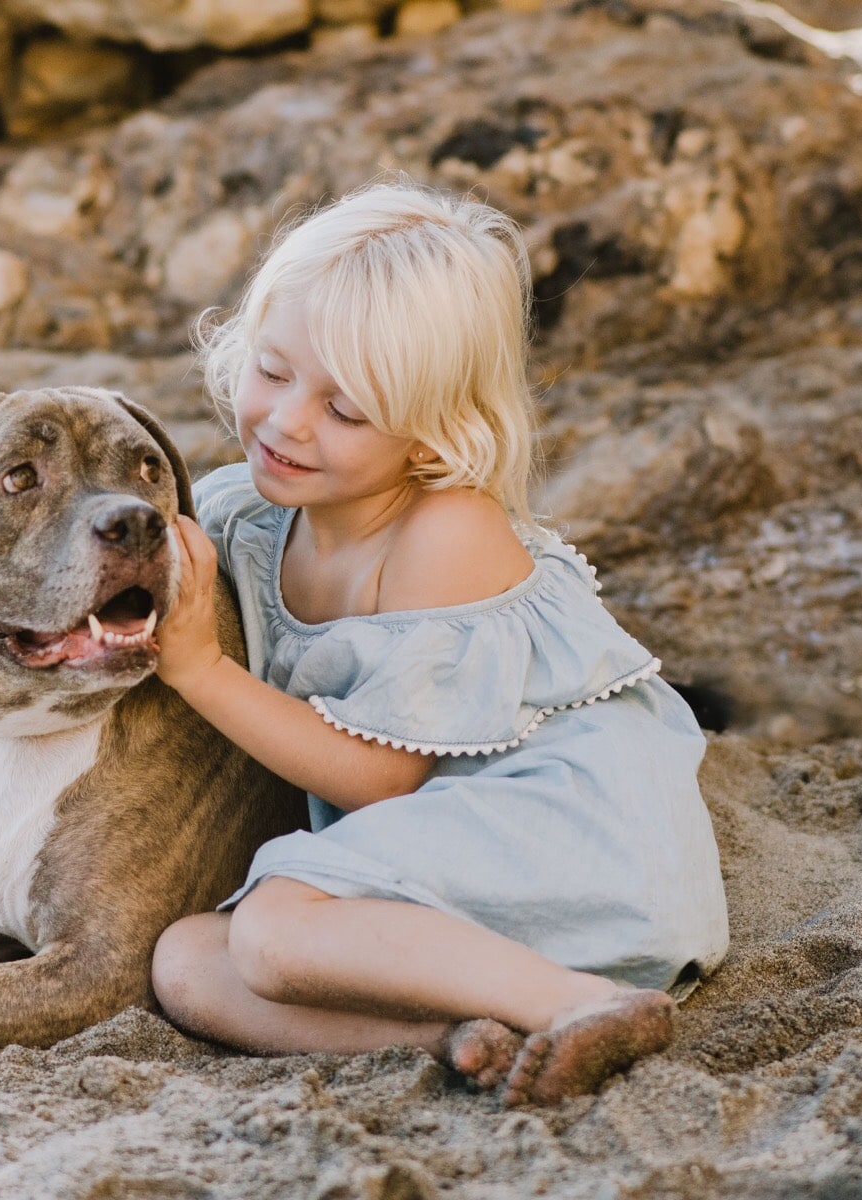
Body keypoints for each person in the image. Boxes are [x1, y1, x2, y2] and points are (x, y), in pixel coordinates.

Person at [148, 183, 730, 1107]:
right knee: (185, 964)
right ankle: (470, 1033)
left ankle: (586, 1001)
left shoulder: (441, 532)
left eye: (347, 411)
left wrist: (198, 669)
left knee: (269, 937)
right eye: (271, 368)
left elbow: (383, 778)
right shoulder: (244, 512)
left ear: (431, 433)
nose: (288, 422)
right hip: (426, 868)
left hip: (560, 840)